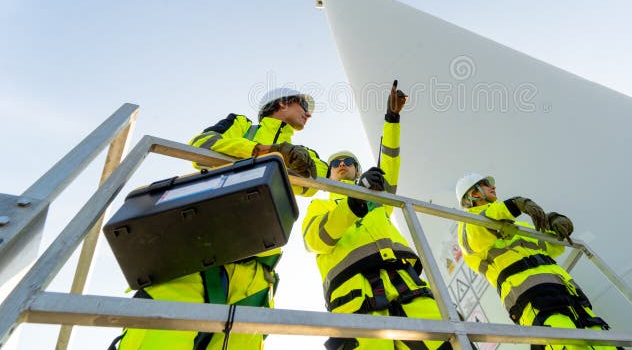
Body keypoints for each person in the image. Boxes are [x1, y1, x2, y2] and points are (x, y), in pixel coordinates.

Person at [114, 87, 328, 350]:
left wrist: (288, 158)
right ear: (282, 103)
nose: (308, 114)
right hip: (194, 256)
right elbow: (203, 144)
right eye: (304, 106)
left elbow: (314, 181)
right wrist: (266, 151)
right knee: (157, 338)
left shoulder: (304, 152)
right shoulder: (240, 125)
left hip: (255, 278)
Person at [303, 81, 451, 350]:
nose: (342, 165)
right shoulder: (320, 205)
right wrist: (355, 200)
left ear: (358, 171)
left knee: (449, 342)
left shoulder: (377, 199)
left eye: (349, 162)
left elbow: (390, 164)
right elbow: (317, 239)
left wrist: (391, 119)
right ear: (329, 173)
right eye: (336, 164)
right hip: (354, 297)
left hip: (408, 286)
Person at [455, 174, 618, 350]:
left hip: (571, 296)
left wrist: (556, 221)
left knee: (606, 345)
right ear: (474, 194)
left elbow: (552, 244)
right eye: (486, 185)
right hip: (533, 302)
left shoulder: (518, 230)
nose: (493, 187)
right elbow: (483, 226)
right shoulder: (469, 226)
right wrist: (516, 203)